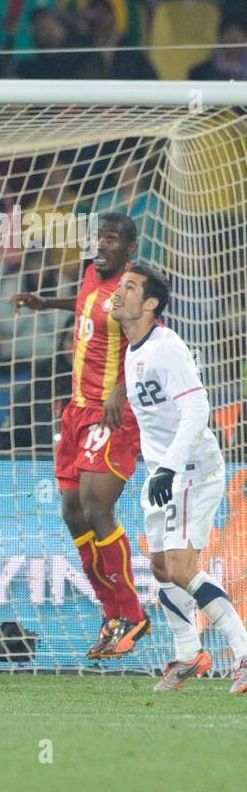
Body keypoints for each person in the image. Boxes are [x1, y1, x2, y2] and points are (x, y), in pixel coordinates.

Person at [12, 212, 149, 660]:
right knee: (72, 513)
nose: (101, 246)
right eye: (99, 238)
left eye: (111, 240)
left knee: (95, 507)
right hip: (75, 410)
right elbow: (89, 302)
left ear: (129, 249)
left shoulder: (133, 288)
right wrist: (46, 304)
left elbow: (148, 340)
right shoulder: (93, 273)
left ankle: (133, 613)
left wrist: (120, 389)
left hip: (110, 415)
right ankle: (112, 613)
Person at [111, 263, 246, 693]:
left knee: (181, 567)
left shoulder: (167, 348)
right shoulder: (132, 348)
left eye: (129, 287)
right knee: (161, 568)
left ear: (150, 304)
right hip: (163, 471)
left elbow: (196, 410)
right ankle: (189, 655)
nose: (118, 292)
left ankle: (243, 652)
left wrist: (170, 464)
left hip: (189, 468)